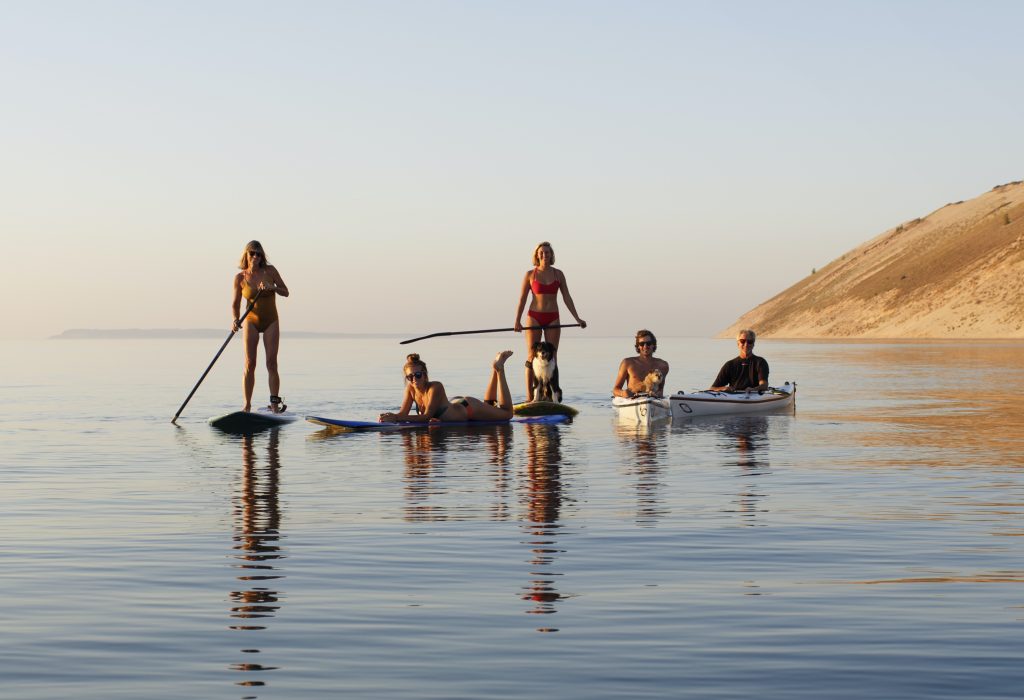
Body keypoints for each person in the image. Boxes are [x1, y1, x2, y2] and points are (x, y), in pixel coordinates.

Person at [513, 241, 587, 400]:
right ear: (536, 255)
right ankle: (530, 396)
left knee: (553, 356)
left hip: (553, 317)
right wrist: (517, 321)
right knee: (531, 356)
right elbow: (522, 299)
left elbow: (567, 297)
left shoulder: (558, 274)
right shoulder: (529, 275)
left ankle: (551, 394)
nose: (544, 255)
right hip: (534, 316)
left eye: (547, 252)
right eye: (541, 252)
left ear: (551, 255)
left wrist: (577, 318)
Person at [231, 240, 290, 413]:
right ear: (246, 255)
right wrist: (235, 319)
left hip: (271, 320)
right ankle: (247, 406)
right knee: (250, 363)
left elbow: (286, 291)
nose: (256, 256)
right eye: (252, 253)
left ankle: (274, 404)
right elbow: (235, 304)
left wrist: (272, 287)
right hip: (251, 321)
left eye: (259, 254)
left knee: (271, 363)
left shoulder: (270, 271)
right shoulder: (240, 278)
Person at [380, 351, 515, 423]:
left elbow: (426, 417)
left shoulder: (435, 387)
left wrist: (396, 418)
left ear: (425, 375)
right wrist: (390, 416)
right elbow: (402, 415)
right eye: (410, 377)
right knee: (489, 405)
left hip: (468, 408)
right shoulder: (410, 389)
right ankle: (494, 369)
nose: (414, 379)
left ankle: (499, 370)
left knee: (507, 413)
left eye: (418, 375)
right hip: (455, 404)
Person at [612, 329, 671, 398]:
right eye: (642, 344)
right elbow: (615, 389)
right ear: (638, 346)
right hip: (632, 400)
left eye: (648, 343)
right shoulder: (627, 363)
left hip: (653, 401)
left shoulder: (663, 365)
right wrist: (623, 393)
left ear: (653, 345)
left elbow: (660, 390)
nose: (645, 346)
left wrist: (656, 395)